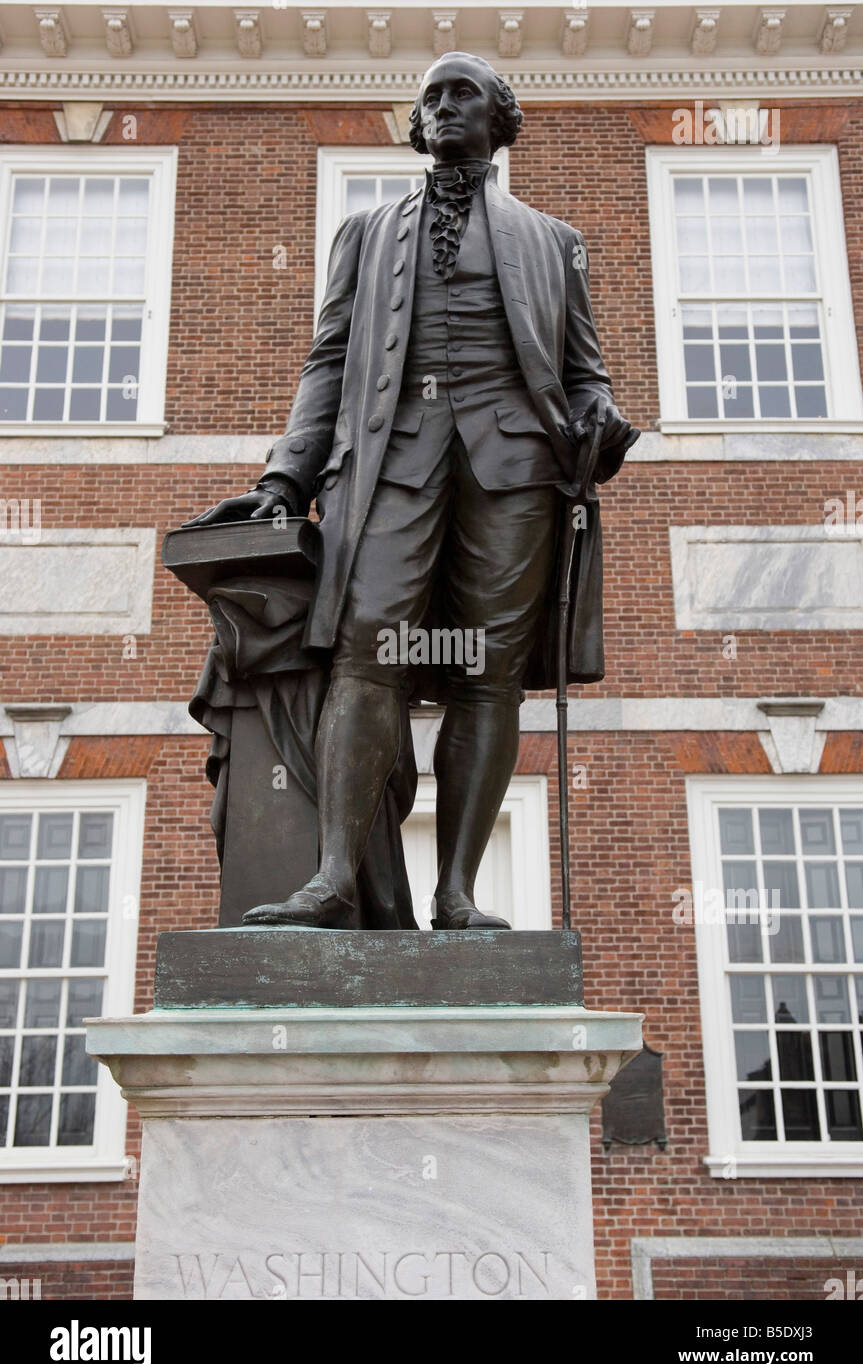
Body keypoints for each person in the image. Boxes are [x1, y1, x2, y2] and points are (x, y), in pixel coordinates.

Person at [185, 52, 638, 930]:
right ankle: (333, 879)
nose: (440, 107)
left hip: (512, 472)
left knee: (489, 677)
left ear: (499, 118)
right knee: (365, 655)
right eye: (428, 97)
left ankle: (457, 895)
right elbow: (325, 364)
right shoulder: (364, 233)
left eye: (460, 92)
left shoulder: (553, 240)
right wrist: (284, 478)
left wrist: (602, 420)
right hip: (388, 466)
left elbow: (585, 374)